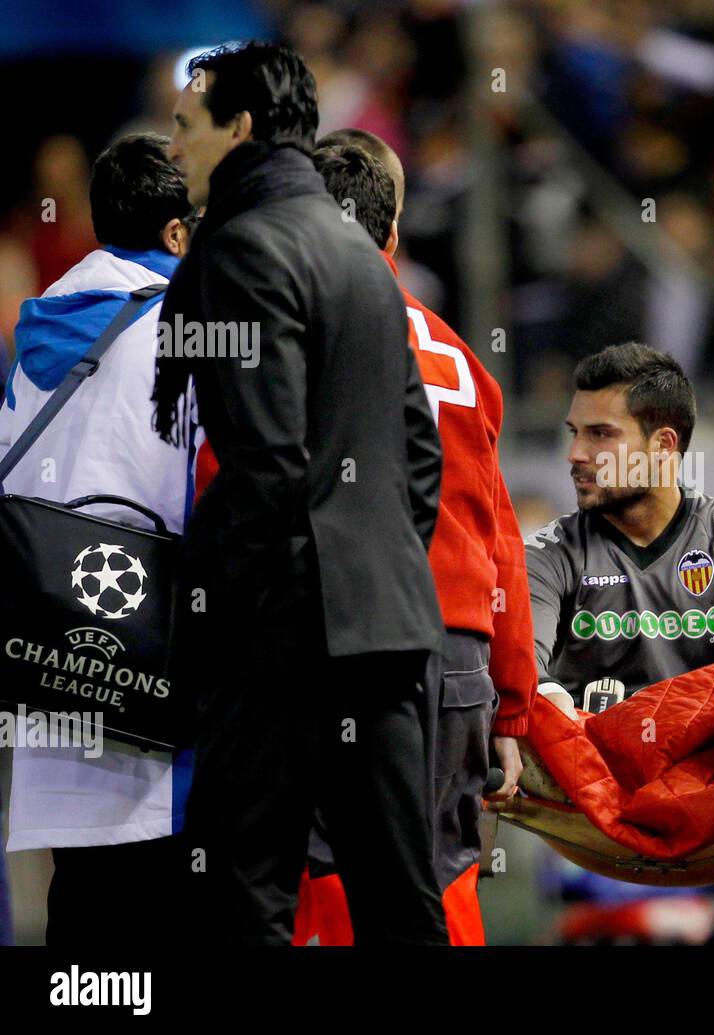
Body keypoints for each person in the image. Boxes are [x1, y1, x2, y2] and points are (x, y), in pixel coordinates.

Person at [151, 41, 445, 945]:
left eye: (185, 125)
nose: (172, 148)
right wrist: (374, 561)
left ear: (239, 129)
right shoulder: (361, 255)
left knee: (242, 895)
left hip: (284, 635)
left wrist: (223, 611)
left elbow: (266, 467)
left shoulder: (241, 248)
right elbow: (419, 454)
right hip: (385, 624)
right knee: (401, 896)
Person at [309, 135, 537, 945]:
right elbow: (499, 536)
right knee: (445, 874)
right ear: (393, 232)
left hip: (347, 641)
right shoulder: (464, 360)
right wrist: (513, 704)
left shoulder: (296, 335)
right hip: (458, 660)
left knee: (330, 870)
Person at [0, 133, 193, 945]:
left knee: (83, 895)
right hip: (154, 652)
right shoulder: (186, 329)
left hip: (50, 642)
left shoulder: (37, 330)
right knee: (161, 890)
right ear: (179, 233)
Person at [526, 343, 714, 712]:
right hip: (587, 760)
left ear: (663, 444)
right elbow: (524, 672)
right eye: (575, 432)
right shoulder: (544, 555)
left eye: (600, 434)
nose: (576, 453)